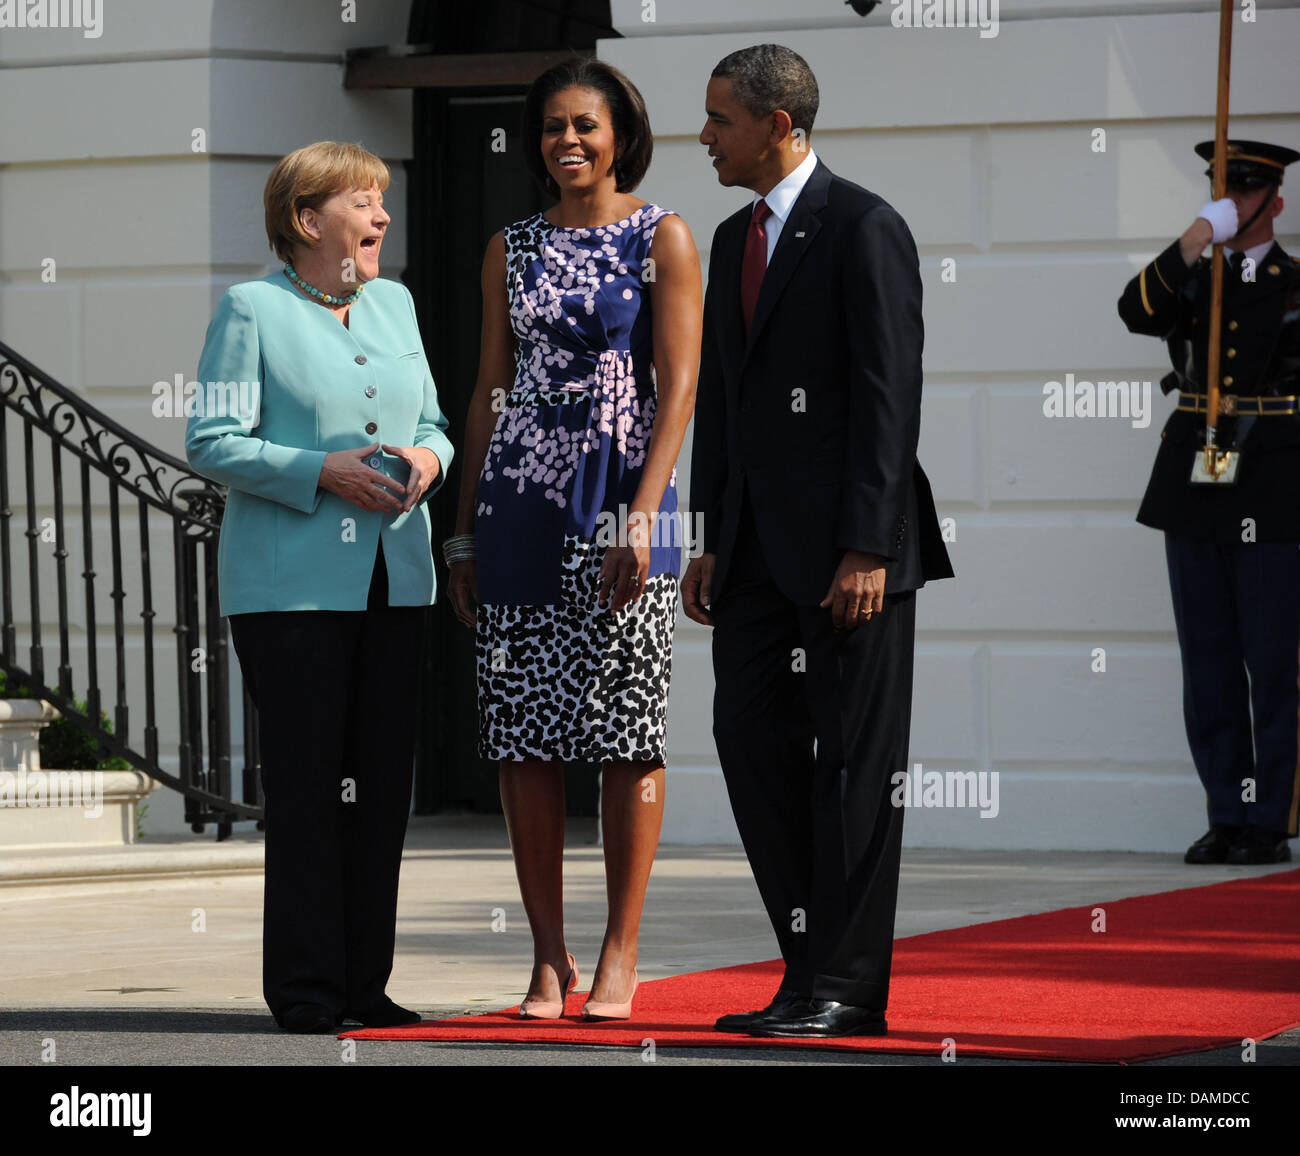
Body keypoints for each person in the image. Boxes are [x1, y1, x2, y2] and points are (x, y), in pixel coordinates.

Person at [683, 44, 952, 1039]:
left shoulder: (864, 225)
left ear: (778, 125)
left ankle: (847, 986)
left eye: (721, 120)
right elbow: (725, 392)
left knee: (850, 766)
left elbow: (890, 396)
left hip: (852, 557)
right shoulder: (726, 234)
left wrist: (869, 545)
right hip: (750, 550)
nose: (704, 136)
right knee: (749, 744)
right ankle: (803, 972)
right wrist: (709, 531)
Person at [445, 58, 701, 1021]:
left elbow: (679, 386)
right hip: (518, 499)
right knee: (524, 735)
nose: (568, 143)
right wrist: (463, 531)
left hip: (622, 502)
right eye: (552, 127)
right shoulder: (509, 247)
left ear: (620, 132)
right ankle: (547, 961)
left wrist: (645, 513)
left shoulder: (661, 235)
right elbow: (486, 391)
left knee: (626, 734)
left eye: (585, 126)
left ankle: (620, 952)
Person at [186, 141, 455, 1033]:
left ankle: (363, 984)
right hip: (289, 594)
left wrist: (428, 455)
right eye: (364, 202)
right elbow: (212, 442)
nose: (382, 217)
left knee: (378, 791)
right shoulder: (251, 308)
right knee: (310, 791)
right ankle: (306, 990)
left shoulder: (397, 303)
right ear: (309, 221)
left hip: (395, 579)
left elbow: (434, 422)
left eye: (384, 201)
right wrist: (321, 470)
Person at [1118, 139, 1300, 867]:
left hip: (1276, 483)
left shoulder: (1294, 285)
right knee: (1210, 661)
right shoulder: (1191, 278)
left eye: (1246, 192)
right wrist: (1196, 237)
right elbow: (1134, 310)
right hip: (1194, 486)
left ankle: (1271, 818)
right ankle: (1226, 810)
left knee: (1275, 660)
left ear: (1275, 202)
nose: (1232, 202)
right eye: (1222, 191)